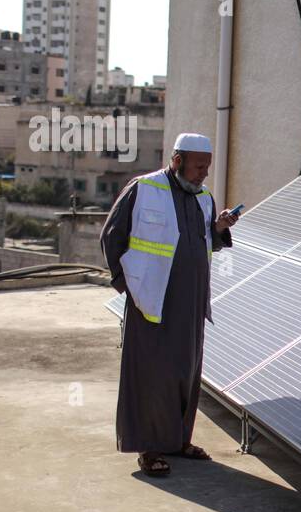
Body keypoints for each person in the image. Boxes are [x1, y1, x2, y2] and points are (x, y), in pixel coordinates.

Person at [99, 132, 240, 476]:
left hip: (190, 302)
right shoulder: (144, 189)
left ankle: (177, 440)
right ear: (177, 161)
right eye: (197, 167)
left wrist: (220, 227)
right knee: (152, 375)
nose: (203, 174)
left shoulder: (203, 197)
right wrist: (128, 283)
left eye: (207, 168)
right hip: (152, 299)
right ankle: (149, 449)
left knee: (185, 374)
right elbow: (111, 236)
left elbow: (205, 241)